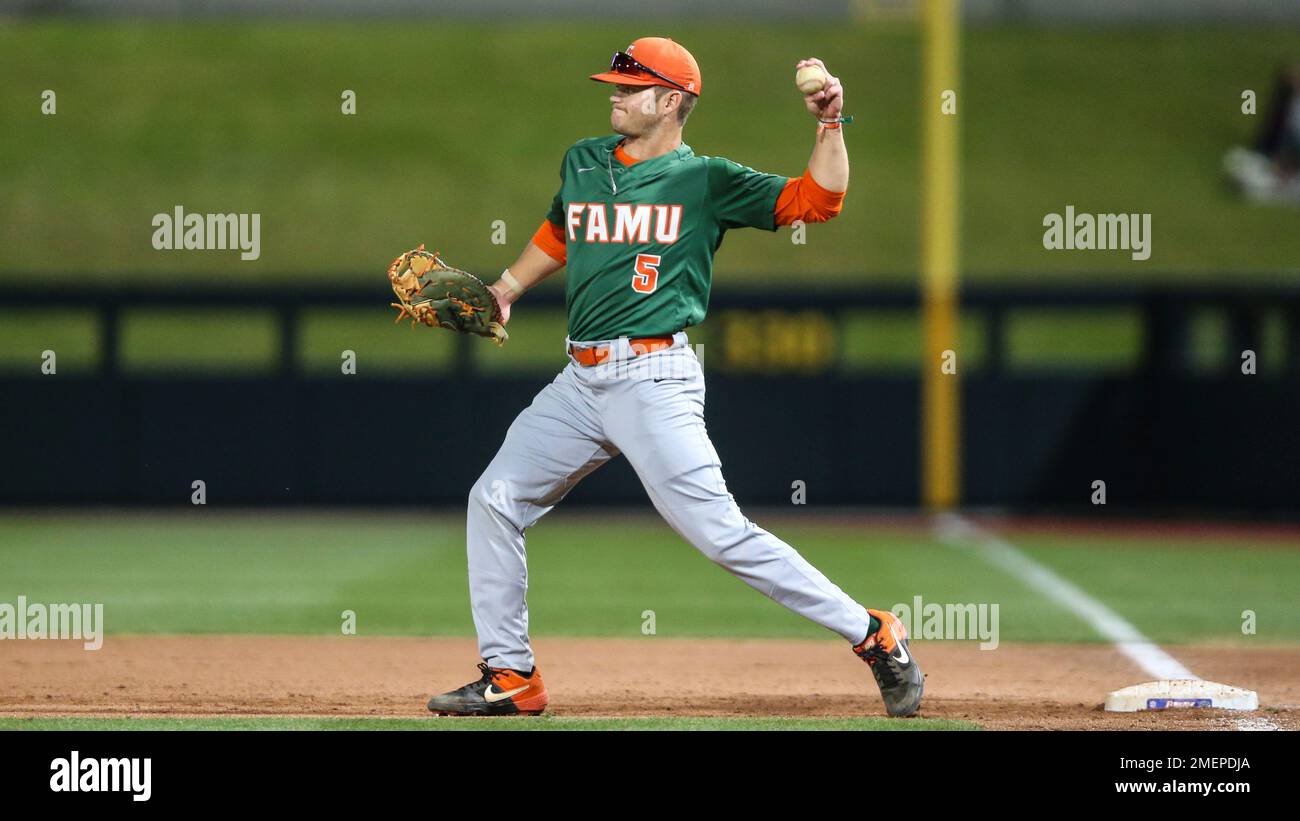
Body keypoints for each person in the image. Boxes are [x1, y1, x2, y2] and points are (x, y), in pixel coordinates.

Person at [426, 37, 923, 718]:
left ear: (671, 101)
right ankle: (511, 674)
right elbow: (562, 231)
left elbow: (819, 200)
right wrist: (507, 287)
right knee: (494, 499)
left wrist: (829, 121)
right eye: (617, 85)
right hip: (580, 379)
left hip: (653, 376)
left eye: (630, 88)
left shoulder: (706, 180)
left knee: (720, 532)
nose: (616, 95)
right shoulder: (584, 160)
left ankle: (874, 633)